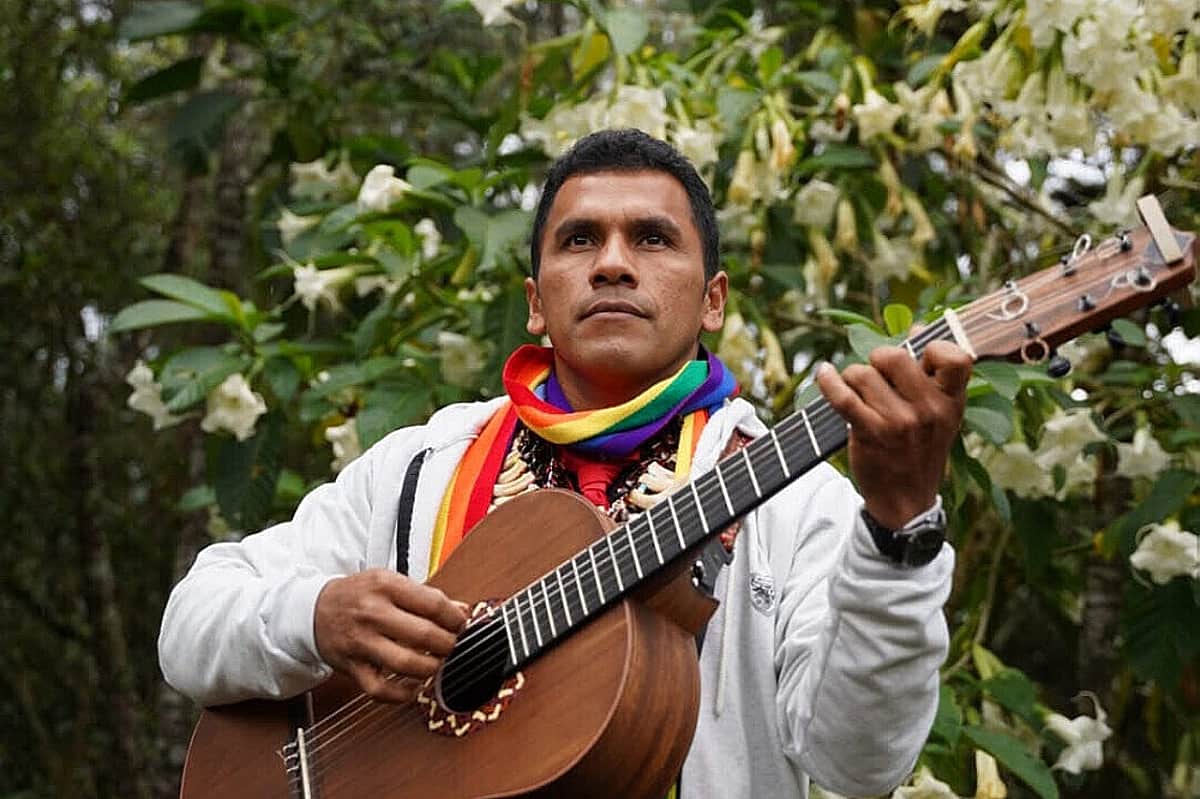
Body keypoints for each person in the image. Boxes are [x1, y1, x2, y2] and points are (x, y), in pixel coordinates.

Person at [159, 129, 972, 798]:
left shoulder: (791, 499)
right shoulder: (420, 469)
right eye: (580, 239)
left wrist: (900, 534)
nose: (613, 262)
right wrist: (317, 616)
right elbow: (191, 623)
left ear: (714, 298)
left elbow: (858, 762)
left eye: (652, 238)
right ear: (538, 300)